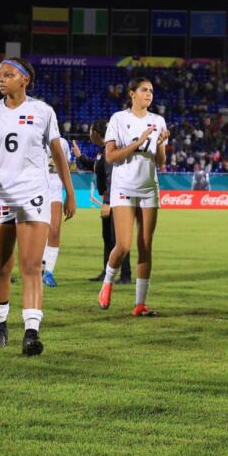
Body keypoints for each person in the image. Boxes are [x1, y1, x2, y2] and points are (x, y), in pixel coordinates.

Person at [0, 58, 76, 356]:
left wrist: (69, 191)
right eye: (0, 75)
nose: (1, 80)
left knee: (31, 266)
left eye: (9, 75)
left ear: (25, 79)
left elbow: (57, 153)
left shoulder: (42, 111)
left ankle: (31, 332)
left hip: (33, 195)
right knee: (0, 266)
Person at [97, 77, 168, 315]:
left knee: (145, 244)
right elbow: (110, 157)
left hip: (149, 187)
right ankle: (108, 281)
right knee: (124, 245)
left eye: (151, 91)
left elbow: (161, 162)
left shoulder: (158, 121)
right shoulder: (119, 119)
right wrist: (138, 143)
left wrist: (159, 144)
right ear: (132, 93)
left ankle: (140, 304)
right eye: (144, 90)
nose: (149, 94)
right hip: (123, 187)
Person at [73, 123, 132, 283]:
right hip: (111, 200)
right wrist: (80, 157)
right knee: (108, 238)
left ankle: (125, 276)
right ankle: (107, 273)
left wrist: (107, 202)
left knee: (119, 239)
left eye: (91, 131)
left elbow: (112, 177)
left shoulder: (111, 149)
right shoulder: (102, 150)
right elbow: (96, 167)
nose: (89, 134)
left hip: (116, 201)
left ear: (97, 133)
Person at [41, 136, 70, 287]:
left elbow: (66, 167)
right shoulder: (35, 137)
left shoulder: (63, 143)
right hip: (36, 188)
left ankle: (48, 272)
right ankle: (38, 266)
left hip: (55, 189)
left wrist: (70, 194)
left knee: (55, 229)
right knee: (38, 230)